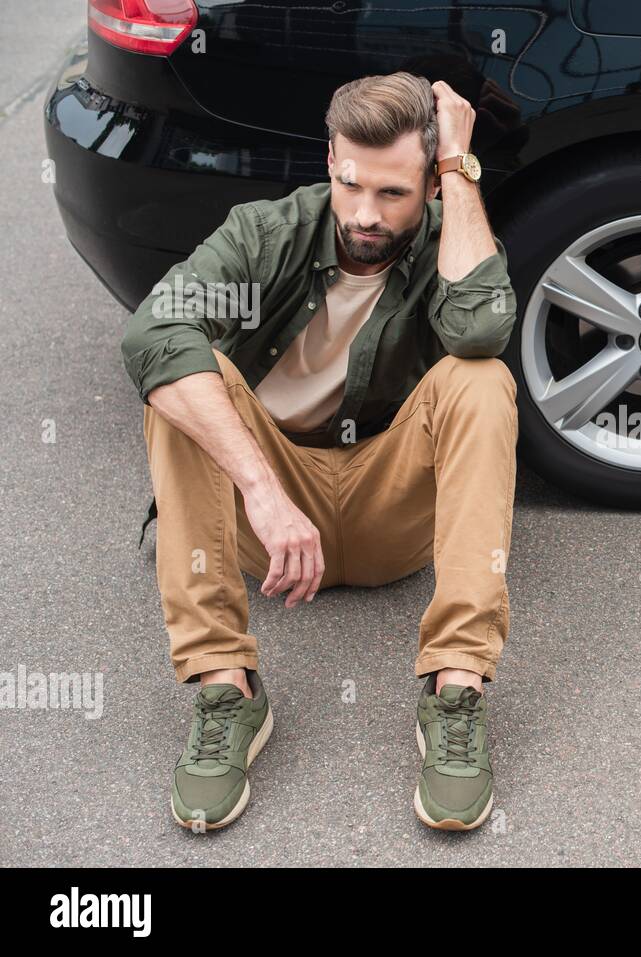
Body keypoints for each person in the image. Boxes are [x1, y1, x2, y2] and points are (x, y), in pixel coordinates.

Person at [120, 72, 518, 832]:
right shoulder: (265, 231)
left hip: (385, 503)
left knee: (480, 379)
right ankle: (224, 689)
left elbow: (478, 328)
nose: (365, 215)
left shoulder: (451, 235)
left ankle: (456, 689)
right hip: (265, 511)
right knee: (184, 380)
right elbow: (150, 333)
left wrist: (460, 168)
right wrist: (264, 493)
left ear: (430, 184)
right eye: (350, 184)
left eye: (394, 194)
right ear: (330, 158)